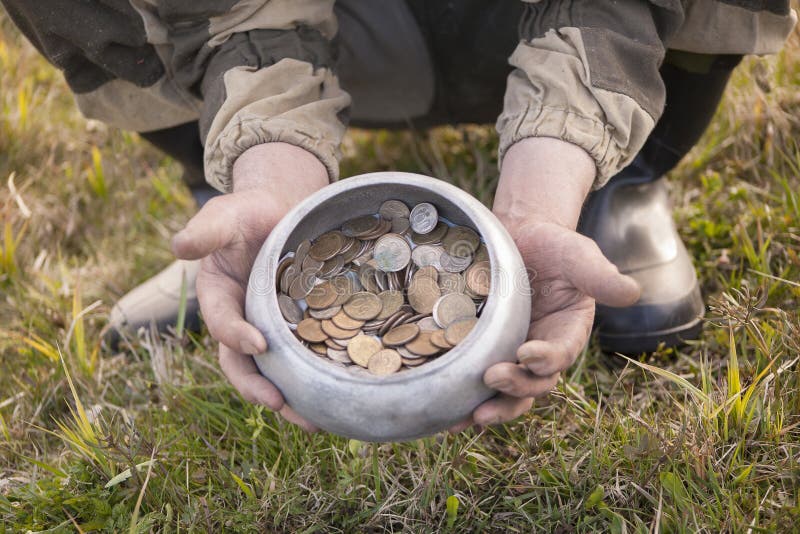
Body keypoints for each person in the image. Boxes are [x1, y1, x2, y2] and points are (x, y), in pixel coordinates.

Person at [3, 0, 794, 430]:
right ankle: (238, 201)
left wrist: (543, 195)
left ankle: (618, 177)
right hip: (338, 26)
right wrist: (273, 183)